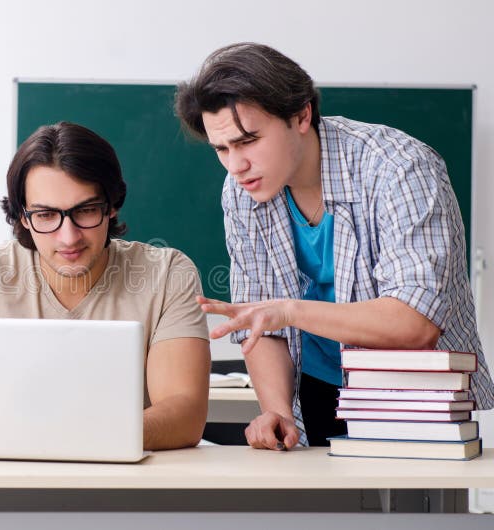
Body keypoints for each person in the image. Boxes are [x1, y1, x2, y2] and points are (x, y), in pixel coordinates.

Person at [174, 42, 494, 449]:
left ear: (301, 115)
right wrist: (277, 412)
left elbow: (414, 322)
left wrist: (288, 311)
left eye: (249, 140)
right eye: (222, 149)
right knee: (324, 508)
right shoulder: (241, 193)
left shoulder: (400, 169)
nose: (236, 165)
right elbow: (260, 325)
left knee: (416, 511)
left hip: (413, 395)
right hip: (315, 384)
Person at [0, 121, 211, 450]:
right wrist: (53, 434)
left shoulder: (167, 275)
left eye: (87, 210)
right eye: (46, 215)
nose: (69, 237)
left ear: (113, 205)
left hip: (121, 486)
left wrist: (49, 434)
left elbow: (185, 415)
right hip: (4, 480)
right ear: (22, 216)